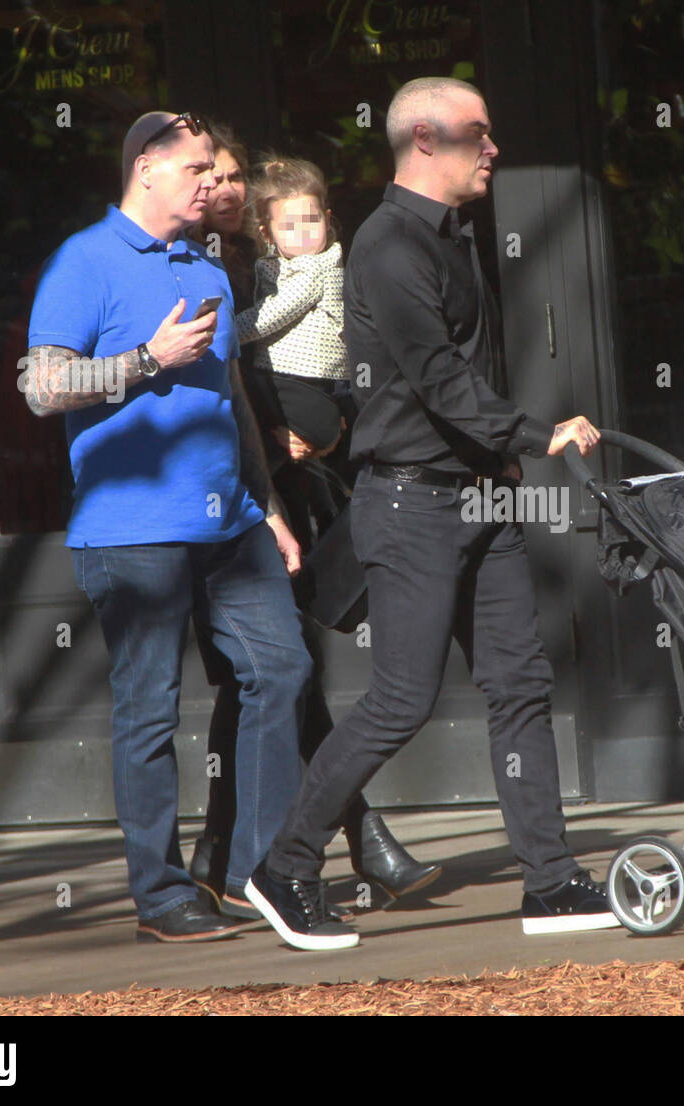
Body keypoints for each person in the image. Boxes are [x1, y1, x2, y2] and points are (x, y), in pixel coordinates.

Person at [247, 77, 616, 950]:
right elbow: (438, 380)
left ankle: (551, 880)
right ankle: (286, 867)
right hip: (412, 503)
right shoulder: (386, 246)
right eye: (476, 135)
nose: (492, 150)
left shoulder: (451, 237)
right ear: (424, 139)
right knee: (400, 699)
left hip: (478, 496)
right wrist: (539, 432)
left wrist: (505, 456)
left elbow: (460, 379)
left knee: (520, 685)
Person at [24, 111, 310, 943]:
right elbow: (41, 386)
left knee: (282, 672)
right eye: (194, 169)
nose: (211, 183)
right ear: (146, 169)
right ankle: (161, 895)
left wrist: (274, 507)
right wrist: (145, 361)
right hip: (130, 528)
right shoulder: (86, 260)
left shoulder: (207, 266)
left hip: (232, 523)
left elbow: (237, 404)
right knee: (149, 711)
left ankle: (258, 872)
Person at [186, 140, 438, 918]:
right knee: (274, 672)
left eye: (234, 176)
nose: (225, 188)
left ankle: (223, 852)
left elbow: (322, 357)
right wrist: (272, 434)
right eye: (213, 177)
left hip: (300, 485)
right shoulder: (206, 268)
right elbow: (228, 375)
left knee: (273, 674)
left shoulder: (274, 262)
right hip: (238, 499)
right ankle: (353, 837)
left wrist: (326, 431)